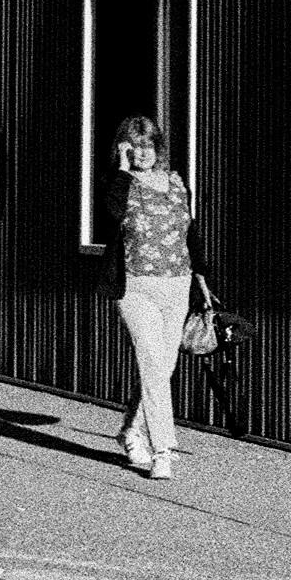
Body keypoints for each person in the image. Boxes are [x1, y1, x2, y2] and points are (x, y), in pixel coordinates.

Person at [101, 114, 205, 478]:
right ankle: (163, 448)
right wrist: (125, 168)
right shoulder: (120, 183)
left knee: (164, 368)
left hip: (178, 284)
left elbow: (189, 232)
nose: (144, 153)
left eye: (149, 145)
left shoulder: (176, 183)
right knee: (152, 366)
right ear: (125, 148)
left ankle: (131, 430)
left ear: (158, 147)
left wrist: (202, 275)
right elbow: (112, 213)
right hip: (136, 287)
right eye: (135, 145)